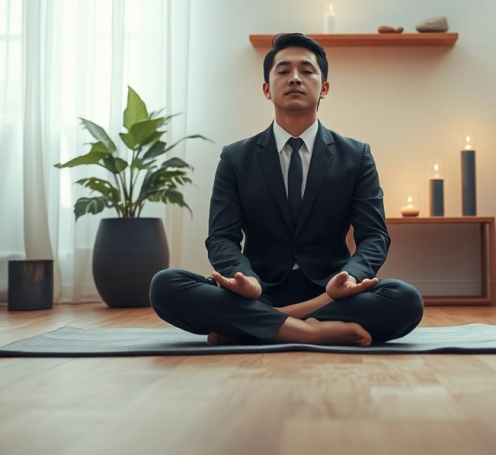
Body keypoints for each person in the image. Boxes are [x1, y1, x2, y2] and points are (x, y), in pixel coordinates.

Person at [150, 33, 424, 346]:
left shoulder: (356, 156)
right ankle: (310, 330)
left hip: (331, 292)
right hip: (258, 290)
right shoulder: (235, 157)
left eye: (307, 71)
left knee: (406, 299)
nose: (294, 78)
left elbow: (374, 235)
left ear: (324, 88)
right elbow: (222, 237)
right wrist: (247, 280)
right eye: (283, 71)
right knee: (165, 284)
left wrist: (351, 276)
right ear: (267, 89)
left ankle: (251, 326)